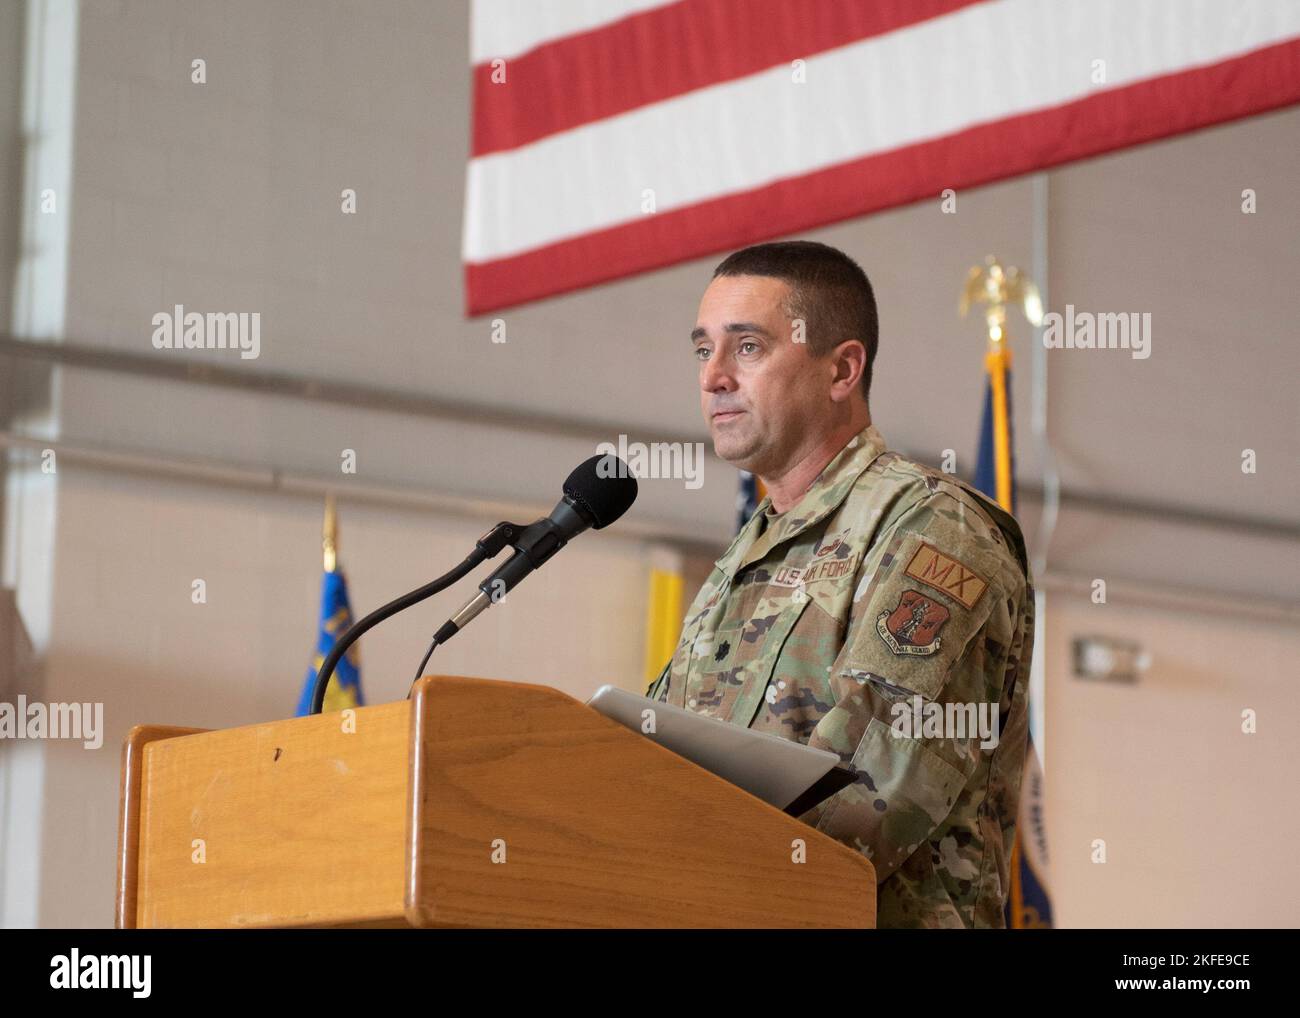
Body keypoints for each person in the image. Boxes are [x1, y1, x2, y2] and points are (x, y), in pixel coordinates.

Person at [646, 240, 1035, 929]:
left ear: (842, 370)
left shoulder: (935, 529)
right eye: (703, 350)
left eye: (748, 348)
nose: (713, 379)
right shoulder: (749, 553)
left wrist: (675, 884)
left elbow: (871, 793)